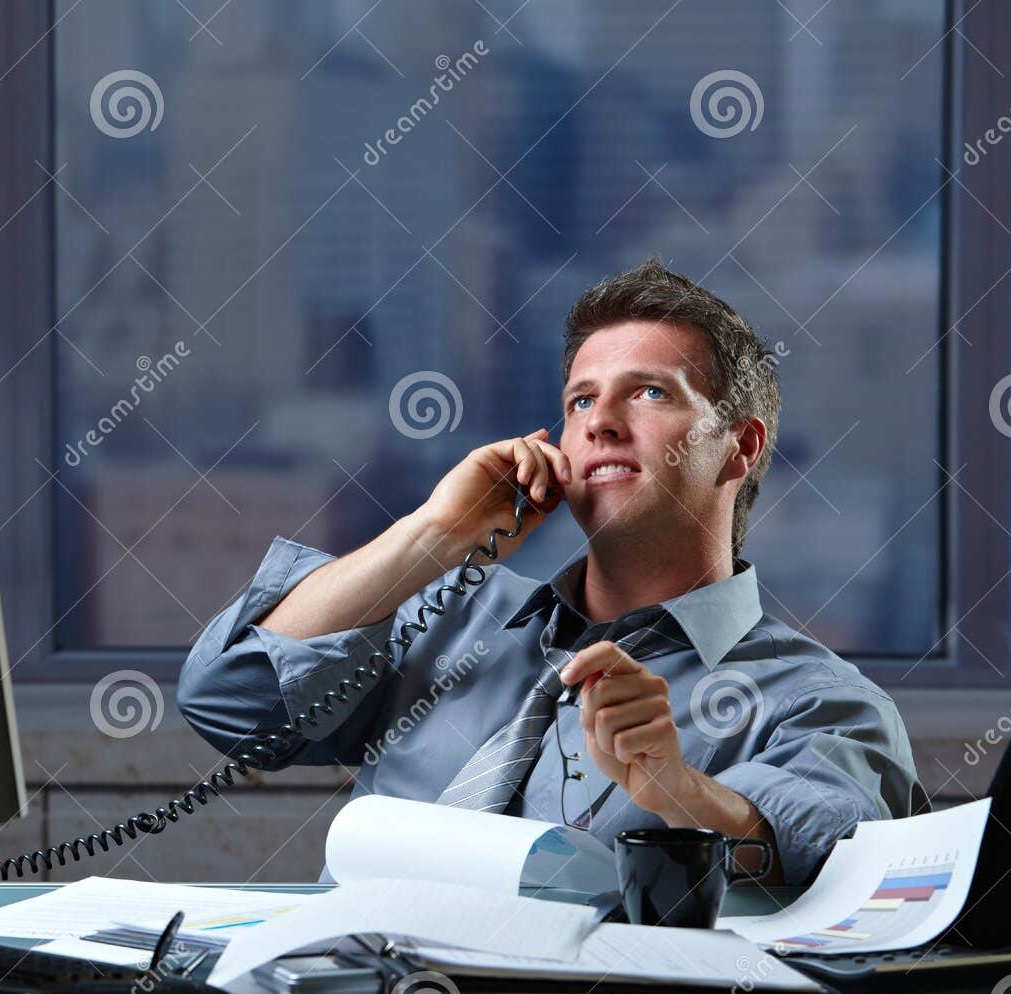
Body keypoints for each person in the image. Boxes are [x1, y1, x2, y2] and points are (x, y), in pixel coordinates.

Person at [177, 259, 922, 885]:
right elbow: (226, 704)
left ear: (740, 446)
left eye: (651, 392)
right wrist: (434, 536)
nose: (601, 420)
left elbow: (842, 862)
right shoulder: (447, 616)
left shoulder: (820, 703)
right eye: (581, 399)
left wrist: (680, 791)